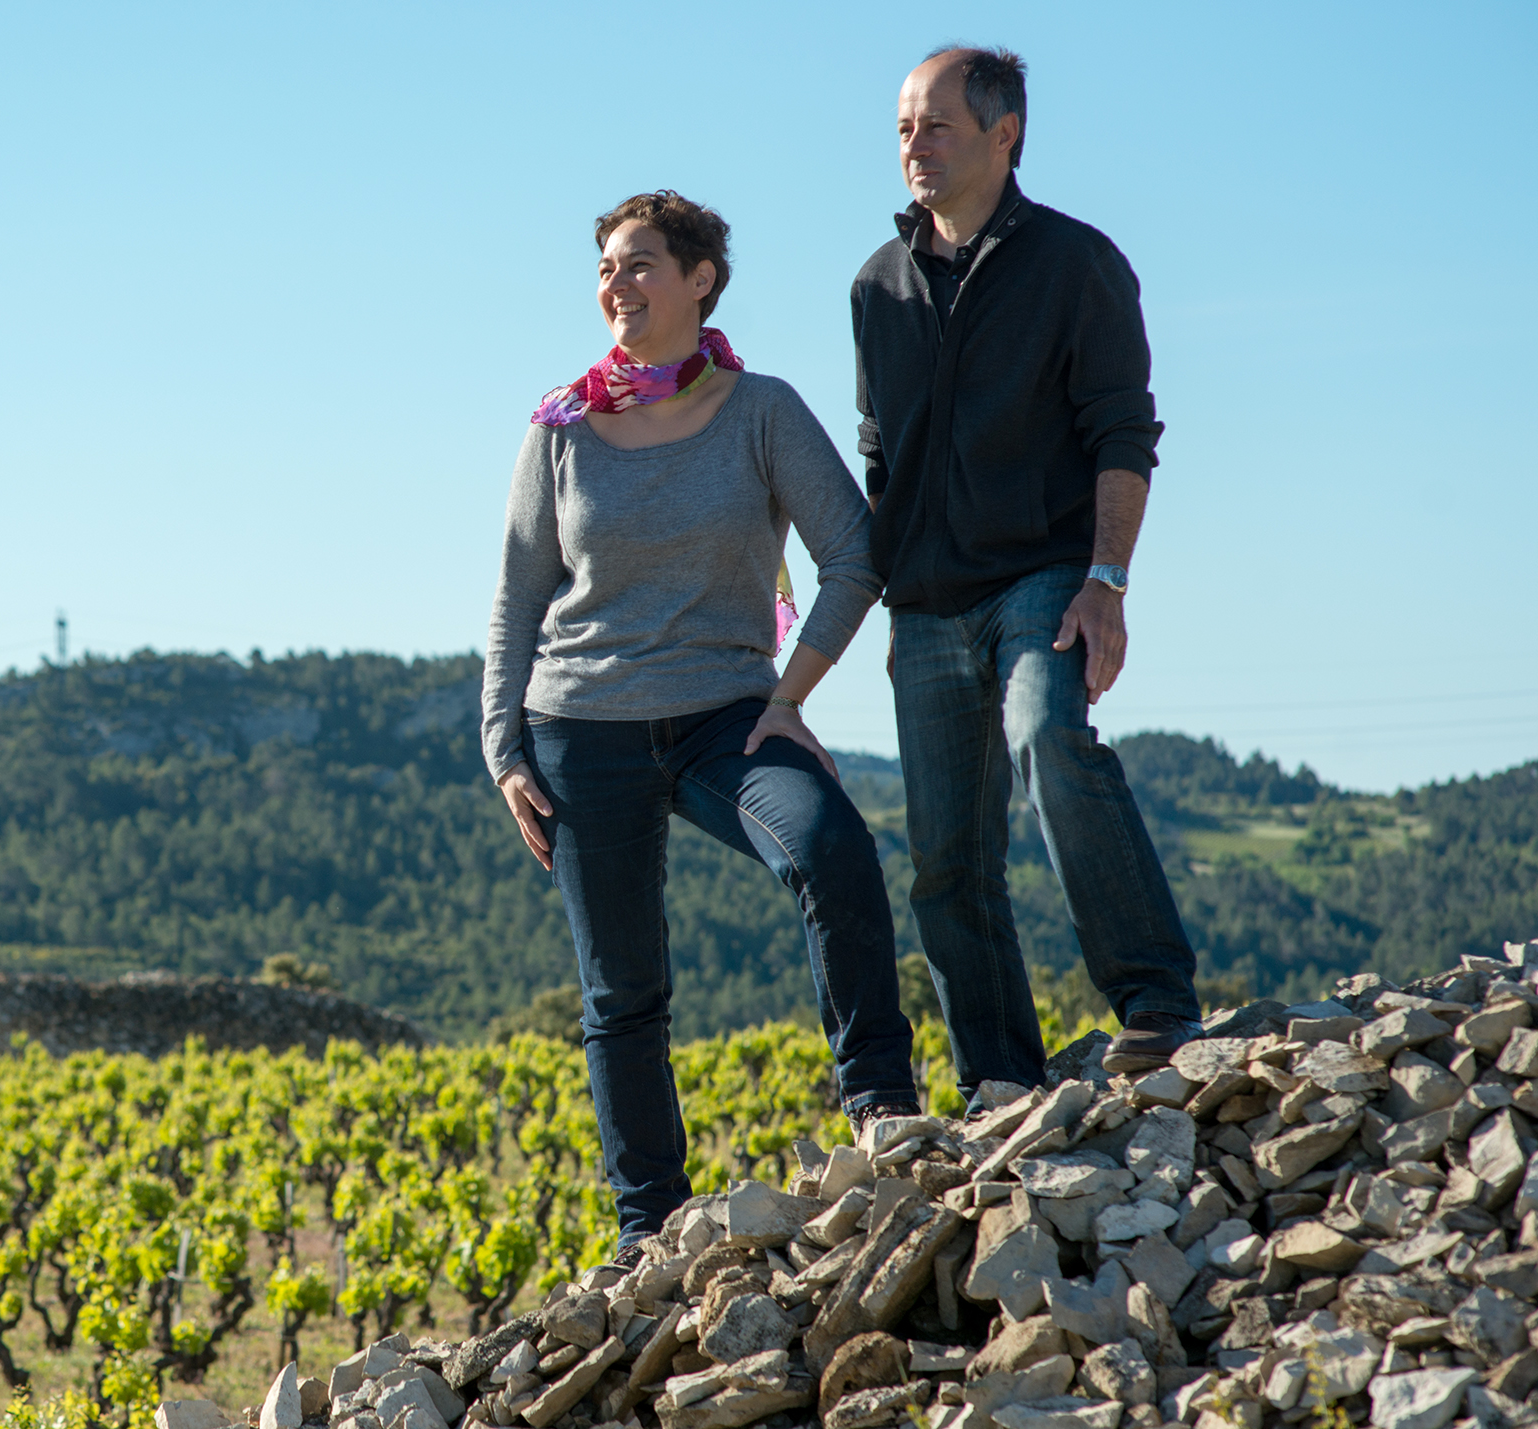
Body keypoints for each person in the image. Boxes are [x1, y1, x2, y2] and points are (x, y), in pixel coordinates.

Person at [484, 190, 919, 1258]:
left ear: (699, 279)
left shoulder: (761, 410)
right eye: (605, 269)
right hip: (578, 726)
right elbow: (516, 598)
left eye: (638, 265)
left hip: (729, 716)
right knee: (620, 992)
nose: (615, 287)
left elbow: (855, 556)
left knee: (832, 850)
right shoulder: (560, 427)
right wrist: (503, 749)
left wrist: (791, 695)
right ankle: (653, 1230)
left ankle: (883, 1112)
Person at [853, 46, 1203, 1096]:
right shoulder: (877, 283)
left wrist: (1107, 579)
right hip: (921, 604)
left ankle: (1156, 1001)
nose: (914, 143)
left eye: (936, 124)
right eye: (904, 125)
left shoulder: (1076, 264)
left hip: (1045, 576)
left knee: (1047, 736)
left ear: (1004, 134)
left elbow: (1121, 433)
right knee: (945, 864)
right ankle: (997, 1080)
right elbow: (880, 450)